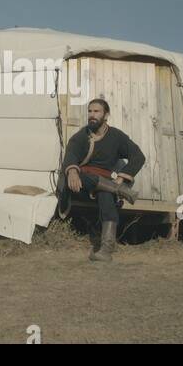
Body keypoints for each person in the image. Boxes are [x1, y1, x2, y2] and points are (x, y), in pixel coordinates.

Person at [59, 98, 145, 262]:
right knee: (84, 176)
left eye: (96, 111)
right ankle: (121, 191)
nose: (92, 115)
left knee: (106, 197)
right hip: (82, 185)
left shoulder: (117, 137)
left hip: (104, 186)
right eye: (90, 111)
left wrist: (122, 176)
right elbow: (71, 155)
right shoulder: (81, 136)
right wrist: (71, 171)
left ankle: (106, 249)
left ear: (106, 115)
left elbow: (138, 156)